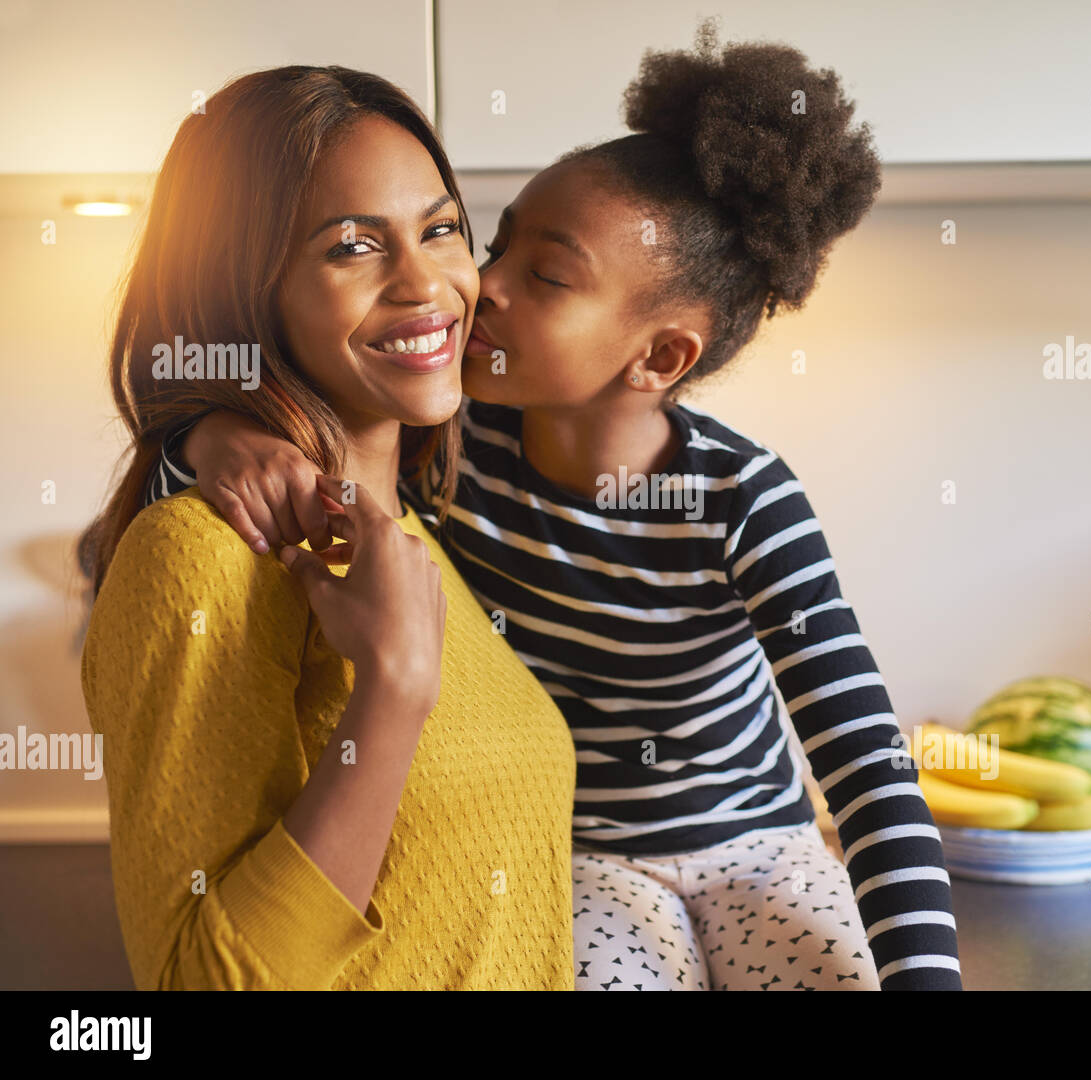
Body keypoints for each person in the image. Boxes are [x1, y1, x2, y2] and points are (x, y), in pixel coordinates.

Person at [147, 27, 964, 990]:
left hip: (761, 845)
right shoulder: (443, 445)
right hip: (580, 862)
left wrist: (925, 980)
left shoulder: (743, 500)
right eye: (496, 245)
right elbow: (193, 521)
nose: (479, 286)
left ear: (659, 357)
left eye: (546, 276)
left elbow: (865, 760)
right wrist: (206, 440)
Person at [77, 65, 576, 990]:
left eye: (440, 229)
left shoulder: (423, 536)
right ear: (243, 287)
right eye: (353, 247)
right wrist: (392, 690)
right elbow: (198, 981)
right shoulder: (199, 558)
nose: (426, 284)